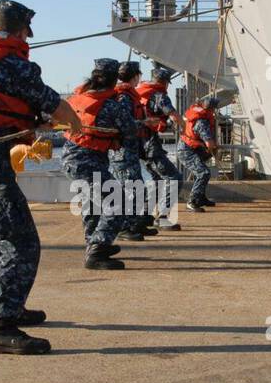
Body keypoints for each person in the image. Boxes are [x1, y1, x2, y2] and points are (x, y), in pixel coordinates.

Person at [0, 0, 81, 355]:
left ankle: (7, 303)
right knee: (21, 241)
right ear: (22, 31)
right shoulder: (12, 64)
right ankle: (2, 324)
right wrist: (75, 123)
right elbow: (59, 106)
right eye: (27, 33)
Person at [62, 58, 137, 269]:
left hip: (70, 160)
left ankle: (93, 243)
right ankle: (98, 249)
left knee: (92, 203)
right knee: (118, 202)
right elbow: (130, 130)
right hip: (89, 161)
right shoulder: (112, 105)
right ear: (114, 80)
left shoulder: (78, 98)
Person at [108, 60, 155, 241]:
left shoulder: (127, 94)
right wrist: (144, 123)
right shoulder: (125, 97)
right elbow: (123, 124)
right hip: (122, 151)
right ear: (135, 76)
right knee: (130, 189)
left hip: (129, 150)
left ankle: (136, 224)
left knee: (137, 188)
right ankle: (125, 227)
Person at [136, 65, 183, 228]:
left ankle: (145, 215)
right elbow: (174, 115)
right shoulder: (159, 95)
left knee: (157, 180)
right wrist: (184, 127)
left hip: (139, 144)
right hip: (150, 144)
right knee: (175, 178)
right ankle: (162, 217)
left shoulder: (141, 93)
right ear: (164, 82)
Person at [179, 94, 221, 212]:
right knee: (203, 173)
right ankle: (192, 202)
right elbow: (209, 143)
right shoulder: (202, 122)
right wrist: (214, 147)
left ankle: (201, 198)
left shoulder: (199, 116)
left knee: (203, 172)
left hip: (193, 149)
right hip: (187, 151)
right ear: (211, 109)